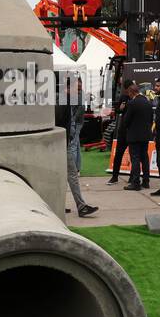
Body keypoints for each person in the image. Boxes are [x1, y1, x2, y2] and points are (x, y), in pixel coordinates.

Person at [56, 73, 98, 218]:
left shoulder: (63, 99)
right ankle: (81, 207)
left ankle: (59, 205)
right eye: (76, 86)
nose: (78, 89)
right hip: (63, 143)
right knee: (72, 175)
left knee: (63, 175)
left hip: (62, 142)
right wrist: (70, 134)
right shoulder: (64, 101)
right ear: (69, 86)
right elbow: (59, 122)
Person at [121, 82, 152, 191]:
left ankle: (135, 182)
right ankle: (146, 181)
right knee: (144, 157)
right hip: (145, 135)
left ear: (131, 92)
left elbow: (126, 120)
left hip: (134, 135)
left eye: (128, 93)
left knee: (135, 158)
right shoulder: (147, 102)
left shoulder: (132, 103)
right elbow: (151, 119)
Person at [105, 79, 134, 184]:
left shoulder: (136, 99)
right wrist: (120, 108)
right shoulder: (123, 97)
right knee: (118, 154)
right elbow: (117, 110)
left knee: (133, 155)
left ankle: (133, 177)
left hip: (132, 130)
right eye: (127, 90)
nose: (129, 92)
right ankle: (115, 176)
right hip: (123, 130)